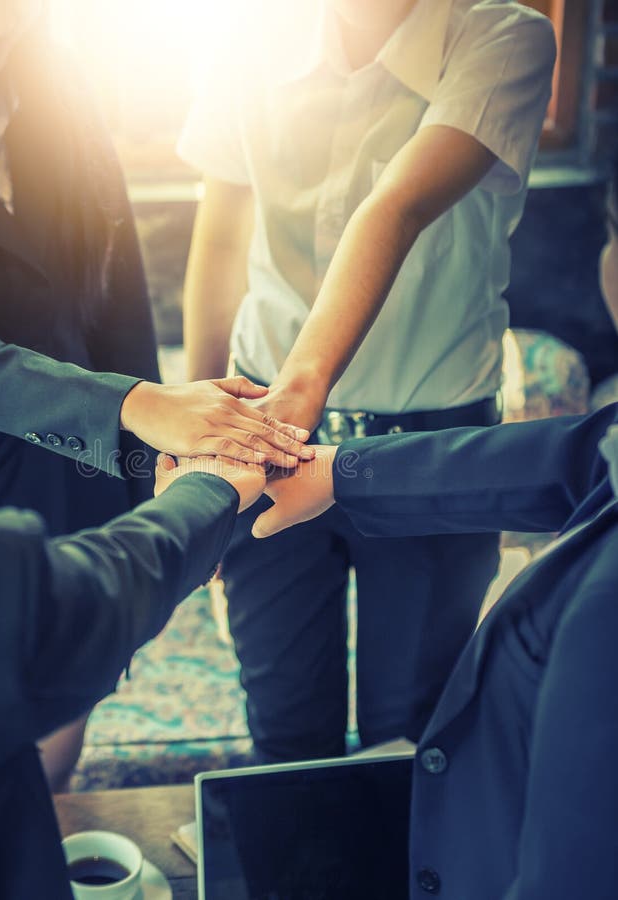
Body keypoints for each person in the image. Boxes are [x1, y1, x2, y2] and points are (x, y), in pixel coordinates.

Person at [0, 0, 312, 789]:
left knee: (54, 738)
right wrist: (132, 406)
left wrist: (160, 446)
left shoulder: (64, 96)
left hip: (75, 479)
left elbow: (115, 302)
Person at [183, 158, 616, 899]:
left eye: (612, 232)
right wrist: (335, 470)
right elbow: (574, 455)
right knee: (284, 733)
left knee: (409, 721)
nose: (605, 258)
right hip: (310, 466)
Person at [178, 0, 557, 761]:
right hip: (267, 429)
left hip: (430, 450)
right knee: (284, 735)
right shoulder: (251, 33)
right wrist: (199, 438)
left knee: (410, 736)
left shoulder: (505, 36)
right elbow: (220, 239)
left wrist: (296, 395)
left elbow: (399, 206)